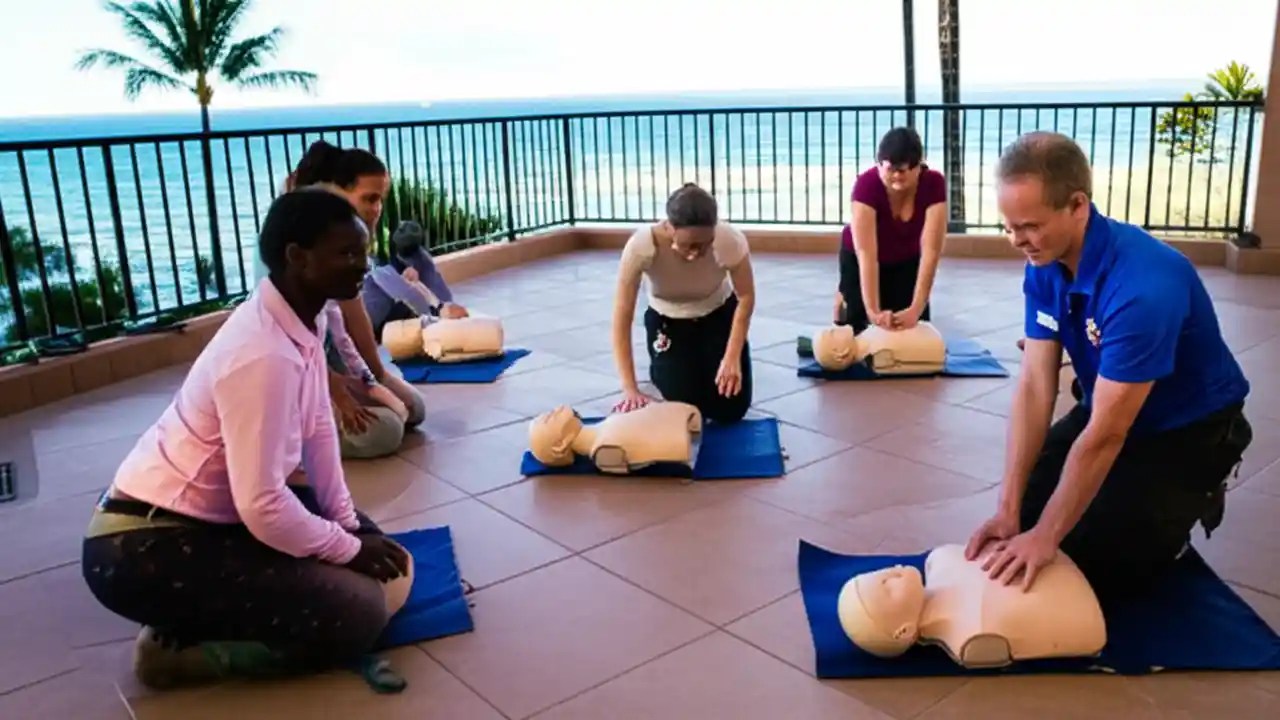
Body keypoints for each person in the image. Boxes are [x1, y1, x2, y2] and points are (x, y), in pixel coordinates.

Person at [82, 190, 414, 689]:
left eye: (363, 252)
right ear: (297, 258)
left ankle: (203, 617)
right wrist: (345, 550)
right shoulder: (262, 354)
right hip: (143, 547)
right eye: (347, 253)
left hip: (216, 517)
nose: (362, 266)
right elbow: (261, 504)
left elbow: (321, 426)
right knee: (362, 612)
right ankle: (176, 656)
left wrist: (347, 525)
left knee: (386, 557)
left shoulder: (307, 313)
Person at [964, 131, 1253, 599]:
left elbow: (1106, 436)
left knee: (1087, 562)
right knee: (1028, 520)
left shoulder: (1142, 286)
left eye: (1031, 226)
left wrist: (1047, 537)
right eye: (1009, 225)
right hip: (1108, 404)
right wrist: (1008, 508)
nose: (1018, 241)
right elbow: (1037, 386)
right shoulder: (1043, 264)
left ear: (1077, 206)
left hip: (1183, 430)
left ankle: (1193, 497)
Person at [285, 140, 427, 458]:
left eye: (380, 199)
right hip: (297, 369)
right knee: (387, 431)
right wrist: (337, 388)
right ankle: (296, 434)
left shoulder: (349, 238)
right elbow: (293, 338)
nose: (376, 208)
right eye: (369, 199)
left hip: (331, 354)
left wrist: (378, 376)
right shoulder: (295, 245)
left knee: (413, 410)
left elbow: (351, 314)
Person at [611, 183, 756, 423]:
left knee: (730, 410)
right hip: (668, 322)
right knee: (686, 409)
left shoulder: (729, 240)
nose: (696, 254)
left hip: (718, 314)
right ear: (669, 227)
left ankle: (717, 360)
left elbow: (746, 297)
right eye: (689, 245)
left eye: (704, 244)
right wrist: (630, 388)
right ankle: (668, 367)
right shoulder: (642, 246)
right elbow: (622, 315)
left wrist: (732, 357)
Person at [836, 126, 947, 331]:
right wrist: (873, 312)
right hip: (861, 259)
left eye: (902, 170)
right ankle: (843, 298)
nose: (896, 176)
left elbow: (931, 251)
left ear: (917, 167)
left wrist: (916, 308)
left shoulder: (933, 184)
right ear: (879, 165)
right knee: (859, 329)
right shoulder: (866, 186)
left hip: (906, 261)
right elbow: (866, 254)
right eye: (889, 170)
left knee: (911, 329)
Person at [361, 220, 469, 338]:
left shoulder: (422, 261)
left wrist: (444, 307)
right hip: (370, 322)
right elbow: (408, 294)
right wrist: (438, 309)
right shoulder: (382, 269)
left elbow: (439, 292)